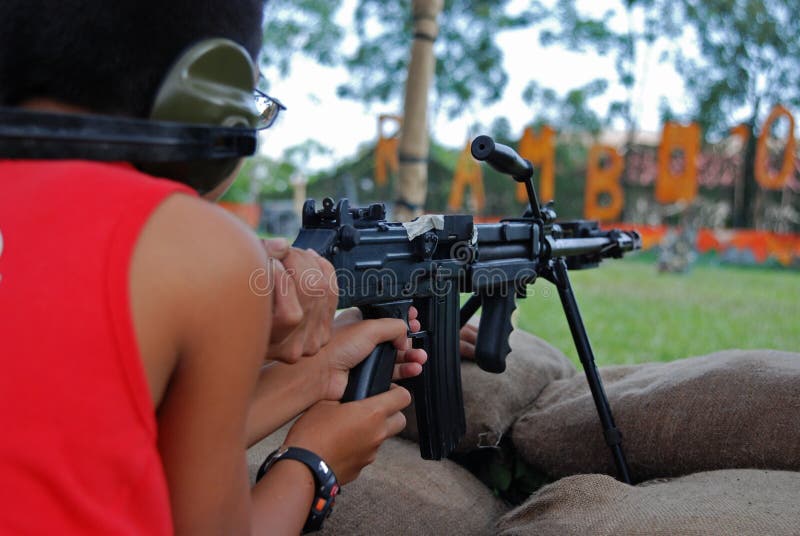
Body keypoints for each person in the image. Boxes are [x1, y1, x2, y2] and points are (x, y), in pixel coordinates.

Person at [0, 1, 426, 534]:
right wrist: (315, 463)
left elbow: (86, 448)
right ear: (212, 95)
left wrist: (312, 375)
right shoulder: (201, 246)